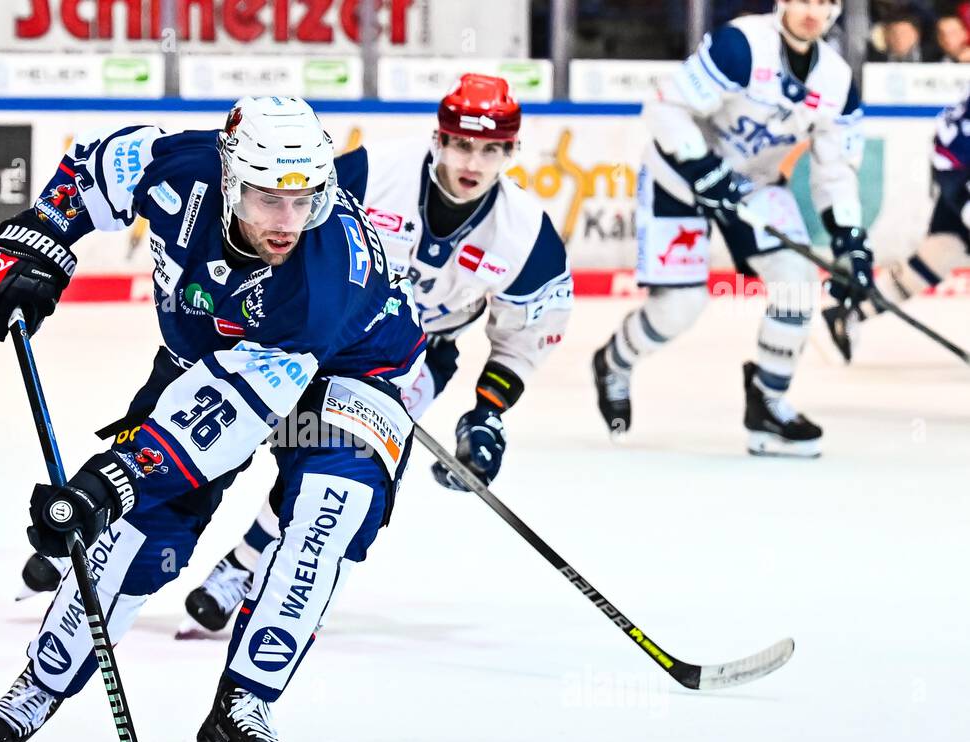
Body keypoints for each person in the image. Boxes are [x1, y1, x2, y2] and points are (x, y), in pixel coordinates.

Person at [0, 96, 425, 742]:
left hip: (348, 366)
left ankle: (243, 708)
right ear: (231, 179)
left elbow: (230, 418)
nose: (288, 222)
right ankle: (40, 683)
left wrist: (111, 478)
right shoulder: (182, 167)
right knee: (136, 538)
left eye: (304, 200)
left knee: (334, 505)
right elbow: (91, 166)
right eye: (269, 199)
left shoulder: (322, 281)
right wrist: (39, 237)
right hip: (205, 356)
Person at [174, 74, 574, 635]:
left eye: (490, 150)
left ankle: (246, 568)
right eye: (461, 144)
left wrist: (487, 413)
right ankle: (110, 534)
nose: (472, 163)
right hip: (310, 328)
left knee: (334, 458)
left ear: (511, 153)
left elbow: (527, 333)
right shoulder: (373, 170)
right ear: (439, 139)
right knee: (220, 433)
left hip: (411, 357)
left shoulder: (525, 233)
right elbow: (292, 228)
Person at [590, 0, 870, 458]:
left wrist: (851, 240)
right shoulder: (740, 45)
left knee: (798, 283)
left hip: (752, 185)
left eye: (824, 2)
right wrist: (701, 166)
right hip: (678, 178)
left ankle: (768, 403)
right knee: (680, 305)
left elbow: (835, 170)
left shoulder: (837, 81)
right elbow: (665, 108)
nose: (812, 11)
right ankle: (613, 363)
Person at [823, 91, 970, 358]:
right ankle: (851, 313)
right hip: (962, 195)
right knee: (937, 257)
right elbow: (945, 154)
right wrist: (963, 202)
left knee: (939, 256)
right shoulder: (964, 117)